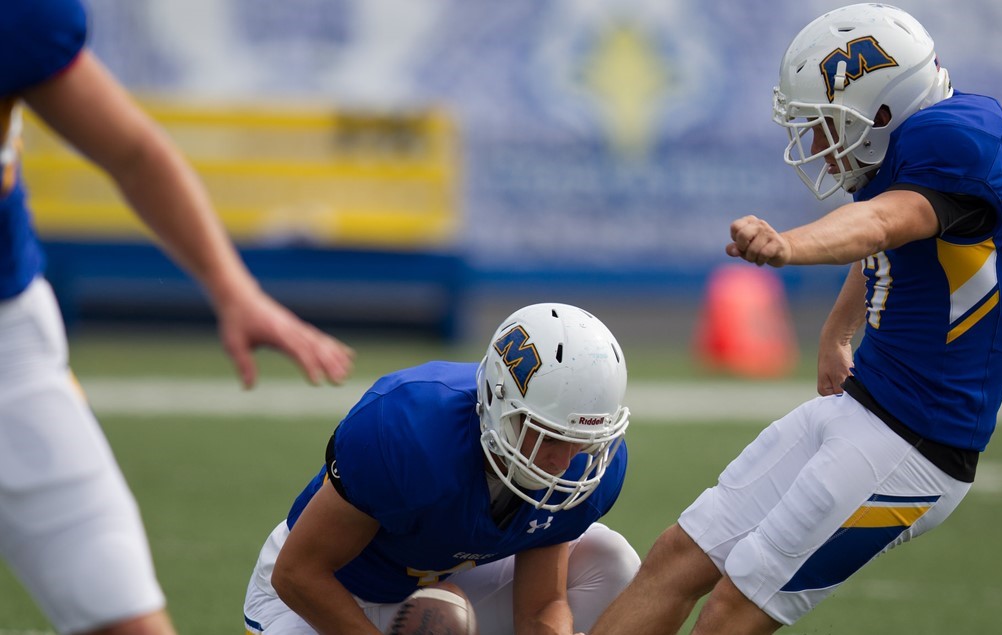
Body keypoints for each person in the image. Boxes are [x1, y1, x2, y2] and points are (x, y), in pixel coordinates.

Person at [592, 4, 1002, 634]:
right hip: (863, 404)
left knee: (733, 607)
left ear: (886, 109)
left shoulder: (965, 142)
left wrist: (788, 246)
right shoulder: (914, 145)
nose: (821, 146)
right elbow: (892, 238)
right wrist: (838, 330)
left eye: (831, 125)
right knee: (679, 556)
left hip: (914, 444)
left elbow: (887, 222)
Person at [0, 1, 355, 633]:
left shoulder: (20, 17)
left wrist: (233, 290)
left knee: (127, 617)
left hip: (9, 346)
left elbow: (133, 151)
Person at [242, 302, 641, 635]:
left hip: (444, 586)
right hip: (326, 596)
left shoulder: (585, 466)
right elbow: (298, 574)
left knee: (610, 561)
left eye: (581, 440)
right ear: (499, 402)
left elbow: (540, 607)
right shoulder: (409, 429)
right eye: (549, 436)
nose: (564, 462)